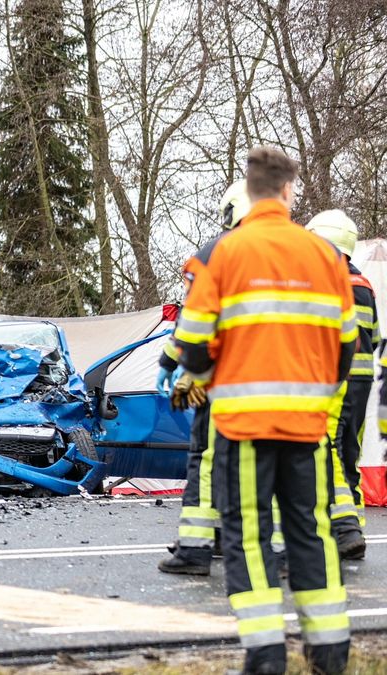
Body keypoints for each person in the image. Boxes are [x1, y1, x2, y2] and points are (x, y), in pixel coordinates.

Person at [175, 146, 353, 675]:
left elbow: (193, 344)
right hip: (305, 427)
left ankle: (266, 656)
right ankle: (330, 654)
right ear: (288, 191)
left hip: (243, 427)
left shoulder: (225, 254)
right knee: (310, 531)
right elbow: (346, 349)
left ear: (249, 193)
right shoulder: (323, 255)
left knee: (248, 538)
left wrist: (203, 380)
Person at [156, 179, 250, 576]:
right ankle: (268, 551)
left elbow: (193, 326)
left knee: (205, 457)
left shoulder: (218, 254)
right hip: (277, 385)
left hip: (219, 380)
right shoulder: (293, 253)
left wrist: (170, 363)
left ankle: (196, 549)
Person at [306, 210, 377, 560]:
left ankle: (343, 527)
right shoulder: (365, 286)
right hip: (363, 384)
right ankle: (353, 527)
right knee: (350, 452)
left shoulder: (325, 284)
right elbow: (374, 337)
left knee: (327, 451)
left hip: (333, 382)